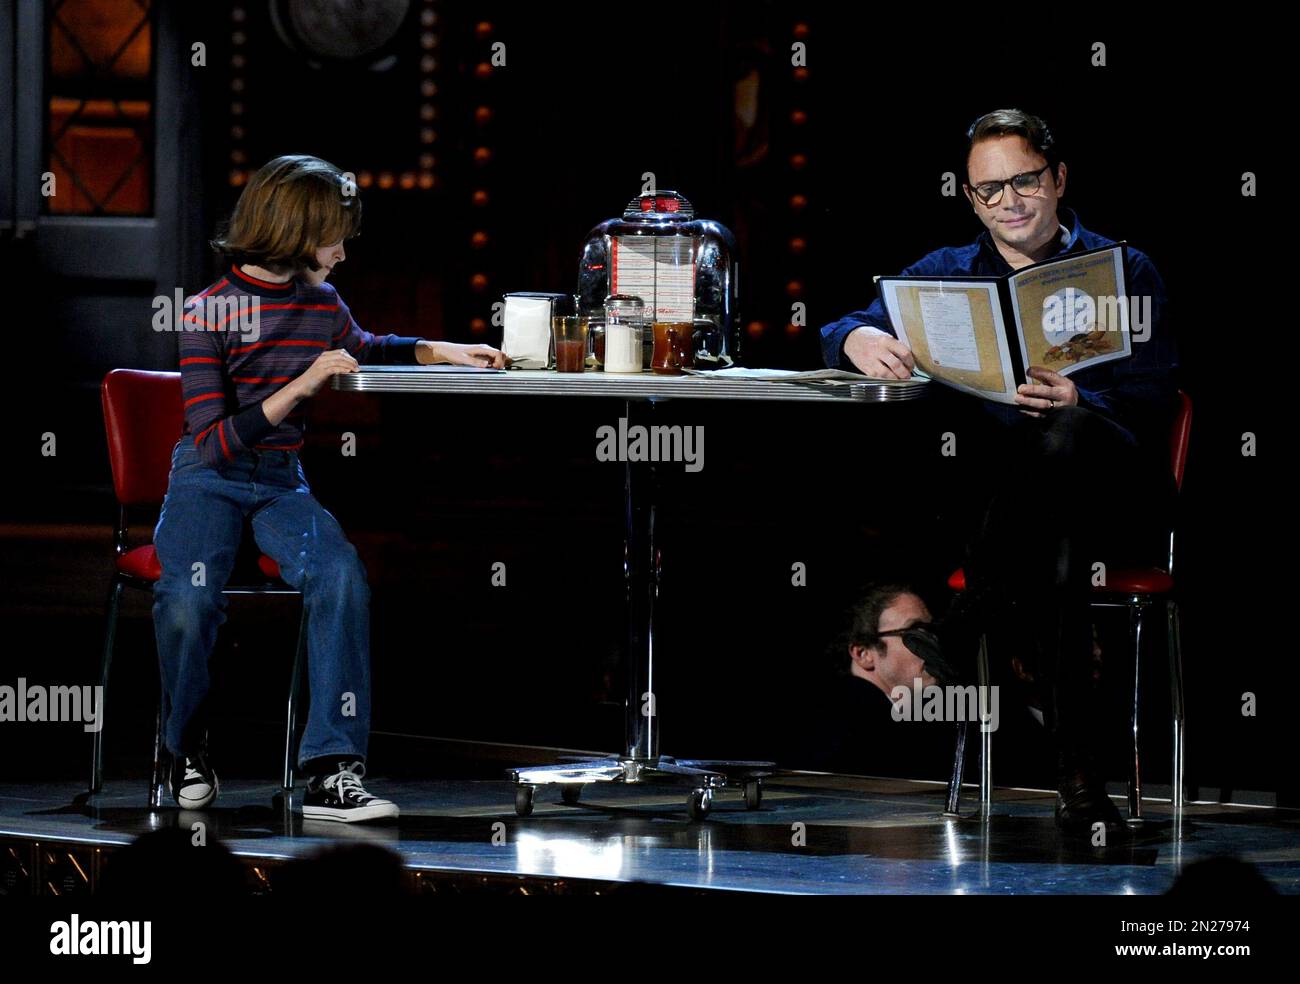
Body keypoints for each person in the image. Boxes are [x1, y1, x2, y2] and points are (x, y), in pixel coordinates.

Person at [820, 110, 1180, 833]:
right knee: (1055, 550)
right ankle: (1079, 782)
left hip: (1115, 489)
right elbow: (837, 325)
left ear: (1059, 178)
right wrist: (857, 337)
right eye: (989, 190)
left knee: (1067, 435)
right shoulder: (945, 272)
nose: (1009, 201)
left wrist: (1083, 396)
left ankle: (972, 618)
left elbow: (1157, 392)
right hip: (1018, 513)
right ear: (968, 196)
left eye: (1025, 180)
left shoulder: (1122, 267)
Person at [153, 154, 508, 821]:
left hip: (282, 485)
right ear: (294, 231)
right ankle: (185, 746)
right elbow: (214, 441)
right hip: (210, 481)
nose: (342, 252)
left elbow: (371, 346)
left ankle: (330, 768)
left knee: (341, 574)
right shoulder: (207, 312)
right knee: (188, 597)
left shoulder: (319, 304)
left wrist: (448, 349)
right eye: (334, 236)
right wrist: (305, 383)